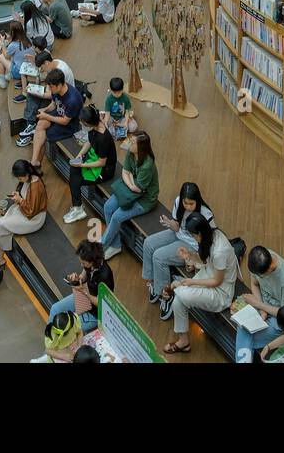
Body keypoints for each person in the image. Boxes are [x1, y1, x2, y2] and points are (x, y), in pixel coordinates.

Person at [162, 214, 239, 355]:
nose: (192, 238)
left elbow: (217, 281)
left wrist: (191, 282)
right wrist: (189, 255)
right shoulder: (210, 236)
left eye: (192, 235)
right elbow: (205, 261)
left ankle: (175, 286)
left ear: (199, 233)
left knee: (182, 294)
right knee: (179, 300)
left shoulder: (220, 250)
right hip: (208, 274)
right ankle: (183, 342)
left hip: (221, 292)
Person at [142, 182, 214, 316]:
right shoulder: (178, 202)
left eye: (191, 204)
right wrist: (169, 223)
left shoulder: (206, 214)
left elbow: (209, 240)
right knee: (148, 243)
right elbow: (177, 226)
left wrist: (197, 259)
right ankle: (153, 281)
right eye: (185, 203)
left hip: (192, 245)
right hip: (177, 234)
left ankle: (166, 295)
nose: (187, 206)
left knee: (159, 256)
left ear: (197, 201)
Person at [234, 244, 284, 363]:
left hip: (280, 319)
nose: (257, 277)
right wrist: (262, 310)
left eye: (260, 275)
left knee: (245, 337)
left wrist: (259, 305)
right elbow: (254, 284)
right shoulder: (259, 259)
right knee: (243, 326)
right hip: (262, 306)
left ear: (270, 269)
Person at [100, 131, 159, 260]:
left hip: (145, 200)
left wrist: (131, 181)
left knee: (116, 216)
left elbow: (138, 189)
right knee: (108, 207)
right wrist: (131, 181)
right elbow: (125, 172)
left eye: (132, 142)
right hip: (129, 190)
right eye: (130, 140)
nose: (128, 143)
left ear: (141, 147)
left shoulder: (148, 164)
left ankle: (100, 247)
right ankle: (115, 245)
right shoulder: (131, 153)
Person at [0, 159, 48, 264]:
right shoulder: (29, 179)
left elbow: (31, 211)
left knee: (2, 223)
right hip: (24, 210)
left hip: (33, 219)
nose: (19, 180)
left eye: (20, 178)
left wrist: (20, 200)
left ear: (26, 174)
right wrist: (18, 195)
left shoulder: (35, 187)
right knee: (4, 226)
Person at [63, 105, 117, 223]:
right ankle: (77, 207)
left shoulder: (103, 138)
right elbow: (89, 141)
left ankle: (78, 209)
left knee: (76, 179)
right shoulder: (94, 128)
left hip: (105, 170)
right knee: (73, 170)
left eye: (84, 124)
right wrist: (80, 155)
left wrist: (82, 165)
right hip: (94, 157)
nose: (83, 126)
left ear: (90, 123)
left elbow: (102, 163)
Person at [48, 239, 114, 334]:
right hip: (86, 296)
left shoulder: (105, 276)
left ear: (92, 261)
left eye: (83, 263)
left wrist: (83, 290)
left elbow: (100, 302)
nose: (81, 264)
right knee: (55, 308)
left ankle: (59, 343)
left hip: (96, 312)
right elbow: (82, 277)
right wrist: (77, 279)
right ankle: (50, 337)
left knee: (69, 330)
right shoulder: (89, 265)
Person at [29, 68, 83, 167]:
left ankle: (37, 165)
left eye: (51, 86)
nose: (49, 89)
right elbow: (54, 104)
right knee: (41, 123)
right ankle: (34, 161)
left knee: (44, 134)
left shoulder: (73, 100)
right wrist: (45, 110)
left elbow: (65, 121)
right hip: (59, 115)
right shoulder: (56, 91)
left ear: (59, 85)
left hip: (69, 126)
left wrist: (47, 116)